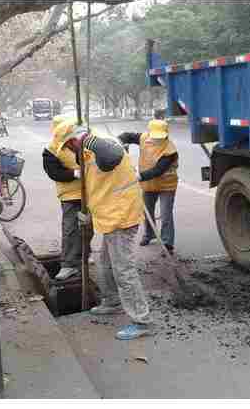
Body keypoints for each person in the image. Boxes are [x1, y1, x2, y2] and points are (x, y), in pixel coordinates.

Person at [56, 121, 153, 340]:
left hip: (121, 217)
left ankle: (141, 320)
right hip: (109, 217)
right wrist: (88, 212)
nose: (69, 152)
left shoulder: (103, 144)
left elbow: (111, 158)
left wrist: (87, 141)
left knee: (124, 270)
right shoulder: (87, 153)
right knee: (106, 264)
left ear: (73, 140)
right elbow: (98, 185)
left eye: (68, 147)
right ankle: (112, 301)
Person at [118, 117, 179, 255]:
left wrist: (139, 176)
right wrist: (120, 142)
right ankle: (149, 234)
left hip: (166, 185)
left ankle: (167, 243)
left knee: (165, 214)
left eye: (161, 137)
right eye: (155, 137)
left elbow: (159, 170)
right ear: (150, 133)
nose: (158, 140)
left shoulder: (170, 150)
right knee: (146, 212)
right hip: (148, 185)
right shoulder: (144, 138)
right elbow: (127, 136)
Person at [42, 116, 92, 280]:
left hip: (90, 192)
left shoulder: (84, 141)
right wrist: (74, 174)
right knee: (70, 229)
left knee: (88, 227)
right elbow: (53, 172)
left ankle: (83, 257)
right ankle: (68, 264)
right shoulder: (51, 149)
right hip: (69, 195)